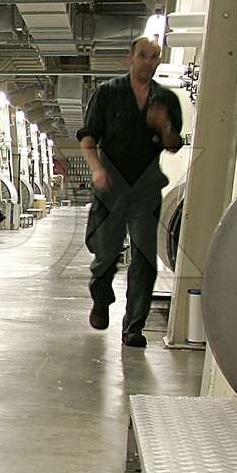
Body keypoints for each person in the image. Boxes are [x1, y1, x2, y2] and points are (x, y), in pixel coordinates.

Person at [77, 36, 183, 347]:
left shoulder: (166, 100)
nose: (149, 62)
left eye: (154, 57)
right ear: (131, 58)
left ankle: (134, 326)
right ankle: (101, 296)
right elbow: (88, 137)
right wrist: (96, 169)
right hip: (110, 182)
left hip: (146, 184)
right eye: (143, 56)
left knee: (144, 258)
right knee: (106, 252)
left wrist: (164, 127)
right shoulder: (108, 93)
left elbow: (174, 146)